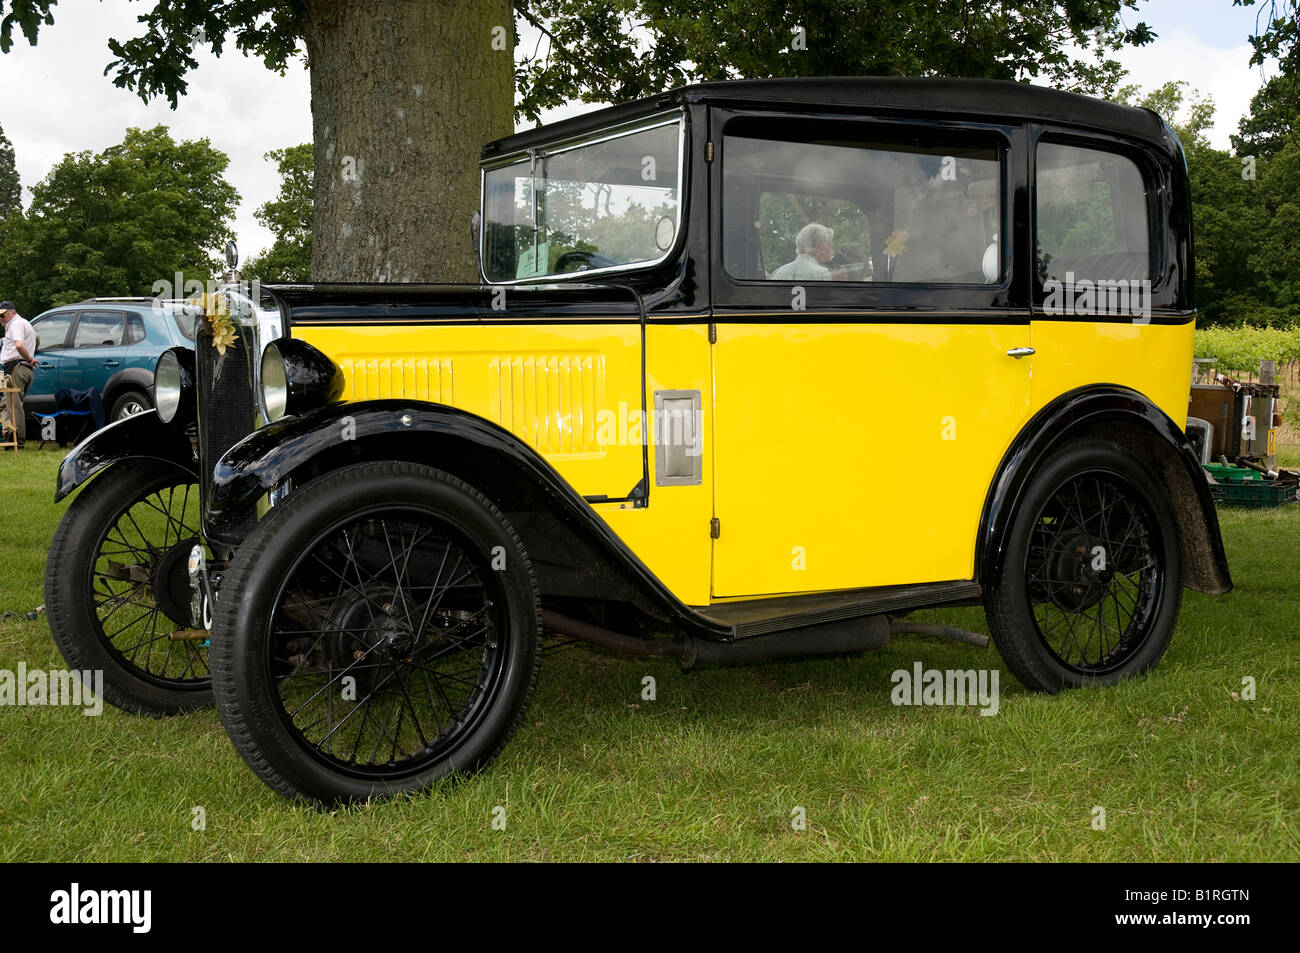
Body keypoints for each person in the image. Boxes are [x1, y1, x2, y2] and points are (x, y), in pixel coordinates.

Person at [1, 300, 38, 450]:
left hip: (17, 368)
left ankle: (18, 443)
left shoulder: (16, 324)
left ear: (12, 312)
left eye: (3, 315)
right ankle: (10, 435)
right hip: (22, 368)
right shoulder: (25, 323)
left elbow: (18, 345)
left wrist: (29, 358)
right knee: (6, 405)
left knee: (14, 407)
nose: (1, 319)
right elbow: (37, 337)